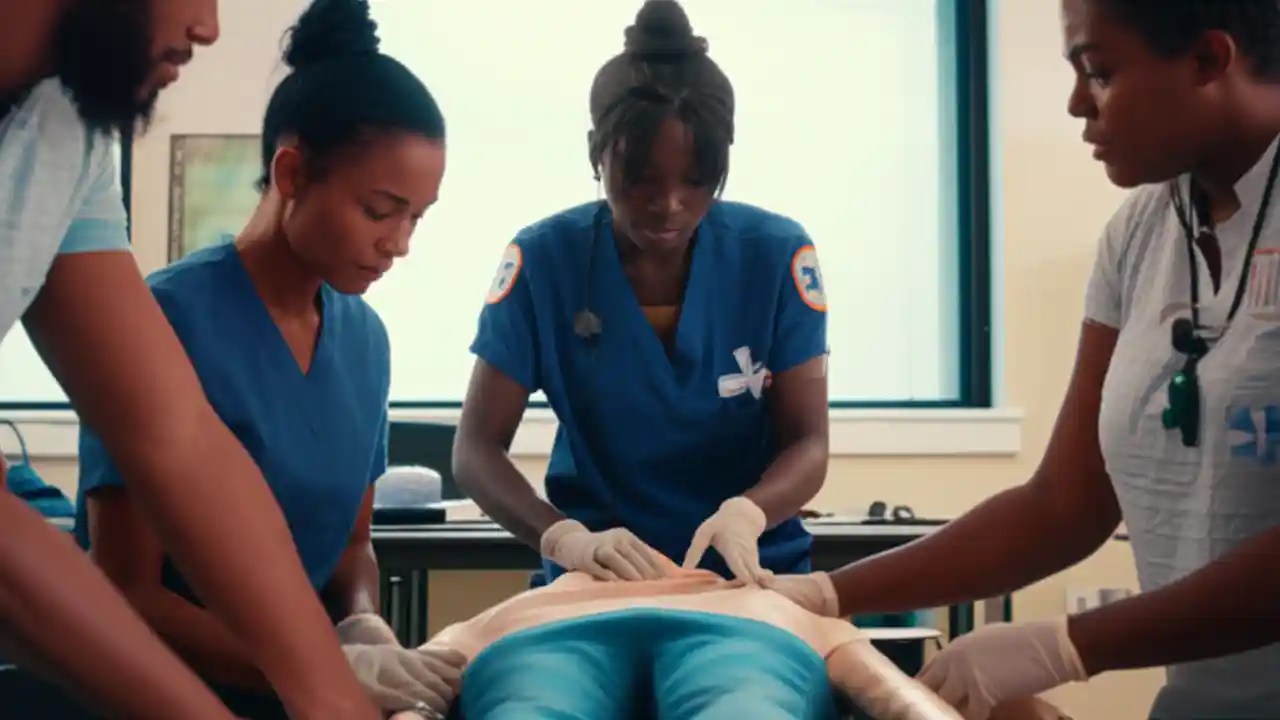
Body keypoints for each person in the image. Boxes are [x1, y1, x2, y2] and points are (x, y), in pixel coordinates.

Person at [770, 1, 1280, 718]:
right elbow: (1065, 506)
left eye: (1099, 73)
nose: (1077, 104)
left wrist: (1070, 645)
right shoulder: (1140, 235)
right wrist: (825, 594)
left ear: (1208, 60)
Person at [72, 1, 462, 717]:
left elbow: (349, 548)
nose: (399, 243)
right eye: (380, 211)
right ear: (292, 173)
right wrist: (320, 671)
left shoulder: (366, 342)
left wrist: (362, 625)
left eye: (417, 217)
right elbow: (129, 590)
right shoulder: (163, 323)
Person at [0, 1, 385, 719]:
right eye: (380, 209)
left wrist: (337, 691)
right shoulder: (188, 305)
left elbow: (178, 439)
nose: (210, 27)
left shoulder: (69, 130)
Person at [453, 0, 830, 588]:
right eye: (641, 179)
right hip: (597, 579)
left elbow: (808, 442)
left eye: (696, 180)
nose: (669, 204)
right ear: (596, 152)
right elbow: (475, 451)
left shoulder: (775, 257)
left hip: (748, 575)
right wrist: (564, 538)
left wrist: (749, 513)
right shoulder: (545, 262)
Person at [376, 555, 1070, 720]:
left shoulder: (772, 598)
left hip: (535, 639)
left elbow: (421, 693)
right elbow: (896, 698)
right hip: (750, 634)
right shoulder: (772, 603)